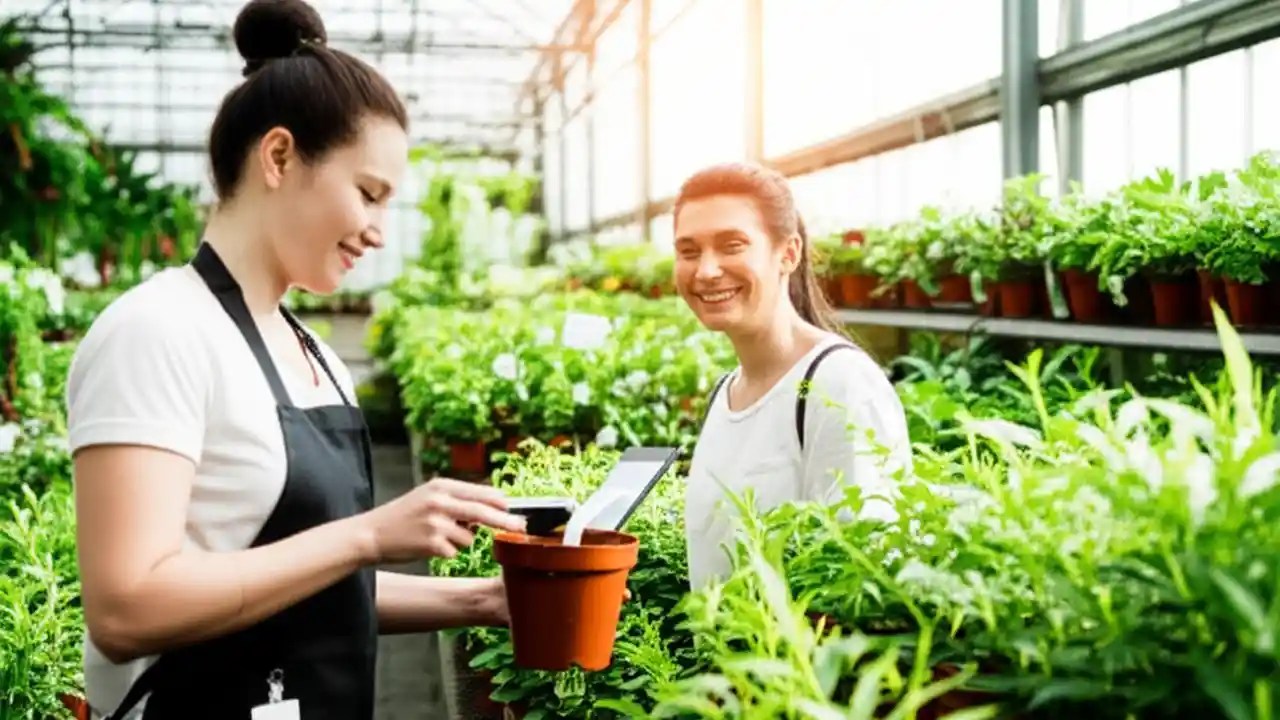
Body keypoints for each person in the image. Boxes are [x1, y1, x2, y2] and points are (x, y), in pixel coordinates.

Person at [65, 2, 526, 718]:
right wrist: (370, 533)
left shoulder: (311, 352)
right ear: (278, 157)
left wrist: (488, 600)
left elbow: (312, 584)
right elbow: (126, 610)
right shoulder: (157, 331)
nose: (376, 231)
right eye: (367, 194)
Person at [673, 162, 911, 589]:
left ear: (788, 253)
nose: (706, 270)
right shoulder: (726, 394)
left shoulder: (840, 385)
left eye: (732, 245)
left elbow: (866, 577)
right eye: (689, 251)